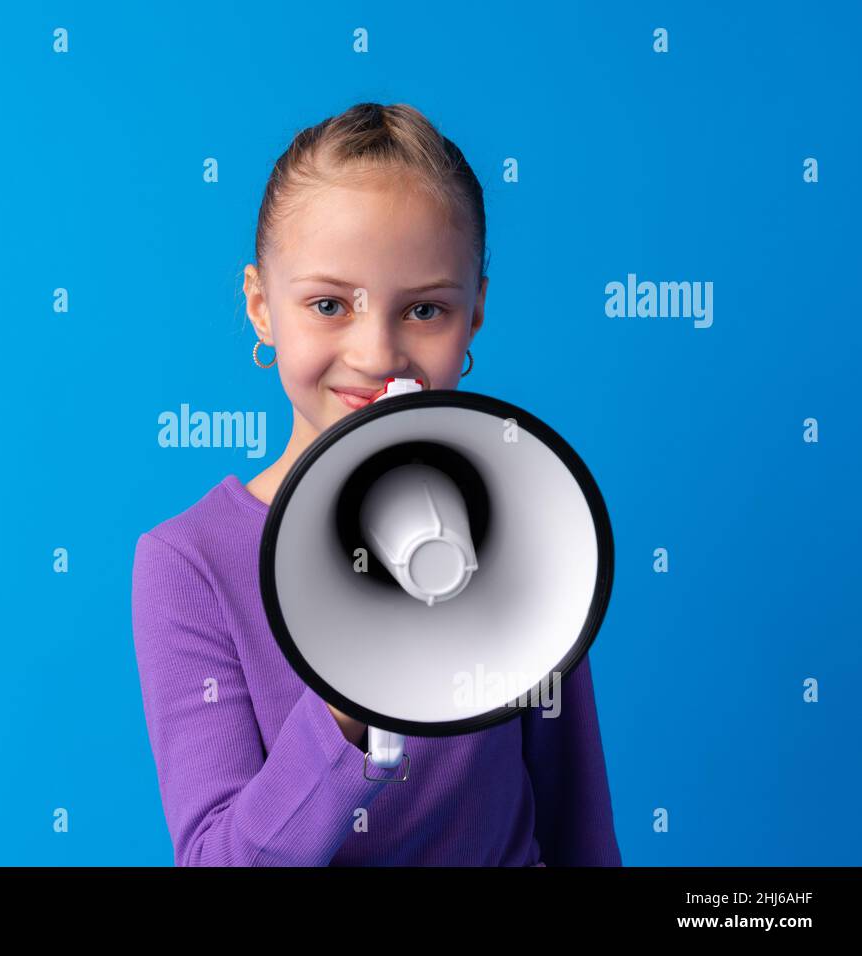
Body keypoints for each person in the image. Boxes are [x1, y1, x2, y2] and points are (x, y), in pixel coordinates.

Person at [131, 102, 621, 866]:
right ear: (261, 307)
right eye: (329, 305)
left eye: (425, 309)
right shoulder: (188, 562)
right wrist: (345, 700)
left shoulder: (532, 515)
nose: (377, 351)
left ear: (476, 313)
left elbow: (579, 823)